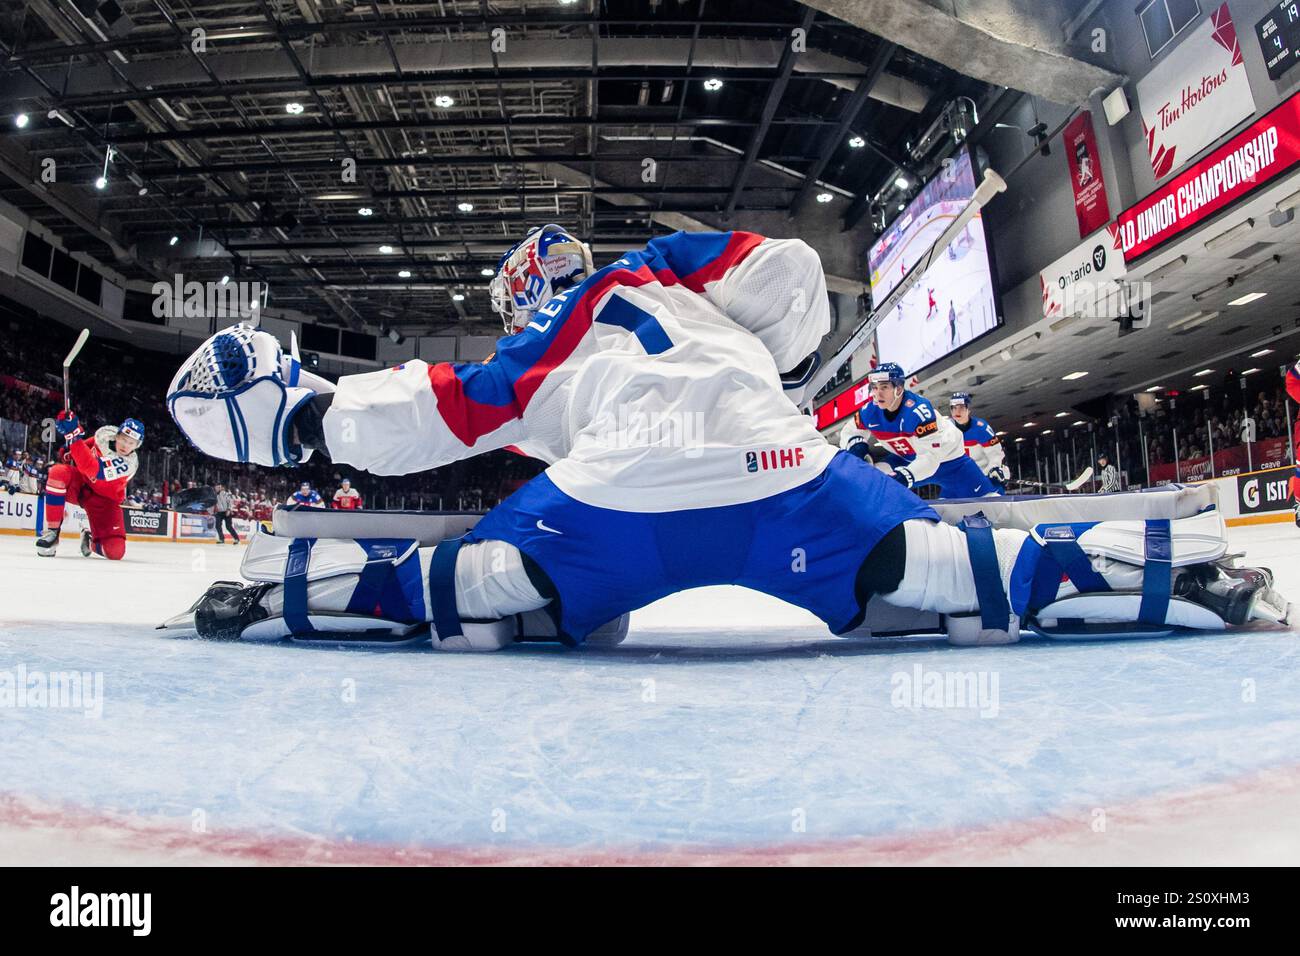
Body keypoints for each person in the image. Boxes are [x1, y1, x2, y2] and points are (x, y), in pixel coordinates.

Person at [164, 226, 1289, 648]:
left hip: (612, 511)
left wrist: (310, 412)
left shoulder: (525, 359)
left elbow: (423, 414)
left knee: (481, 578)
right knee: (945, 570)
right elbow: (793, 273)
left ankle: (296, 590)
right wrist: (781, 365)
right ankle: (1174, 575)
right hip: (780, 481)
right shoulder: (654, 265)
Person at [840, 363, 1001, 499]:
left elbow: (931, 458)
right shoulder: (870, 410)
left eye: (884, 387)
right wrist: (856, 446)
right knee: (870, 478)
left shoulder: (919, 411)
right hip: (906, 459)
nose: (877, 393)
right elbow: (850, 431)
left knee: (988, 503)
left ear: (899, 388)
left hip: (949, 462)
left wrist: (905, 476)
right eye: (874, 387)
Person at [35, 413, 142, 560]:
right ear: (117, 435)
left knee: (115, 552)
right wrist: (71, 434)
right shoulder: (103, 436)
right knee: (58, 472)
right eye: (123, 439)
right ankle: (52, 533)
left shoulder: (127, 464)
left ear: (137, 446)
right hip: (82, 486)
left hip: (105, 502)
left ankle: (90, 540)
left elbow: (91, 468)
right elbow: (84, 447)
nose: (125, 445)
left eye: (131, 443)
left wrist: (73, 435)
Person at [947, 392, 1009, 488]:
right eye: (954, 408)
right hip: (963, 479)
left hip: (986, 475)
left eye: (961, 408)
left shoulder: (981, 428)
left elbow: (996, 453)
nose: (957, 412)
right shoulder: (946, 428)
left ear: (968, 410)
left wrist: (994, 468)